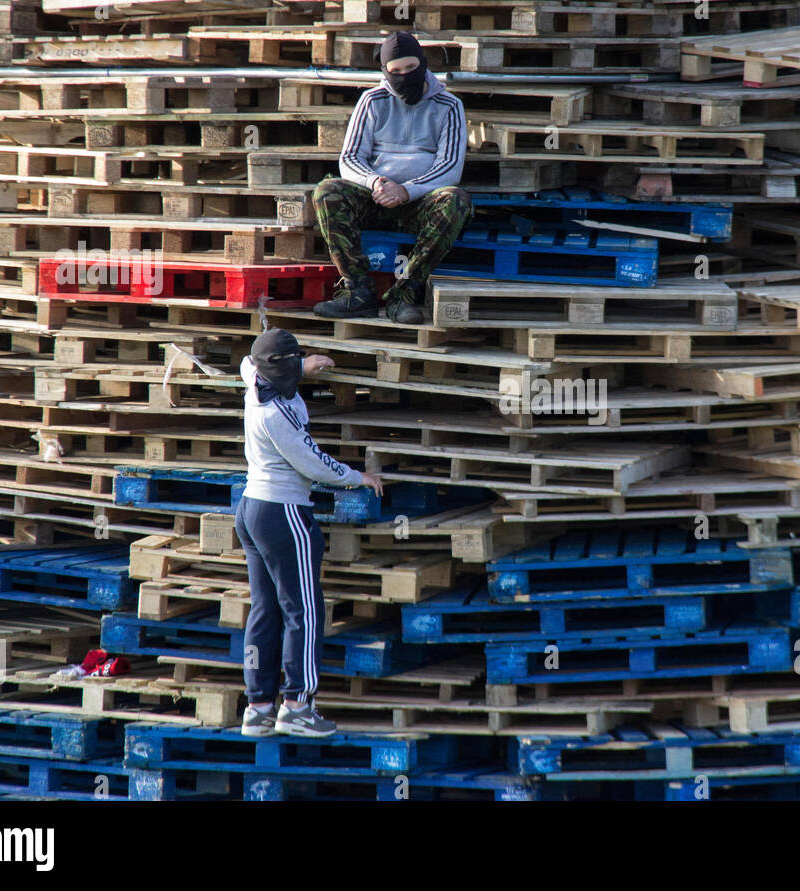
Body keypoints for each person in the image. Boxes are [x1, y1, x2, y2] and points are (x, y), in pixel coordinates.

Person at [236, 327, 383, 737]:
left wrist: (301, 365)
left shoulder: (254, 380)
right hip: (284, 513)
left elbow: (247, 361)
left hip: (250, 510)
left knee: (264, 609)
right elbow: (313, 464)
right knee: (304, 611)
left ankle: (258, 707)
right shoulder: (276, 414)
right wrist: (358, 476)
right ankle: (297, 705)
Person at [311, 31, 473, 325]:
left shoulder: (450, 106)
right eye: (395, 71)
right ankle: (357, 291)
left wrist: (406, 191)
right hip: (374, 197)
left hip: (419, 202)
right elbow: (350, 158)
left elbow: (450, 166)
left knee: (456, 201)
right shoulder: (371, 101)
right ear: (385, 71)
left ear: (423, 64)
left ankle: (405, 293)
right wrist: (377, 183)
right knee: (327, 191)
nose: (403, 76)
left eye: (410, 68)